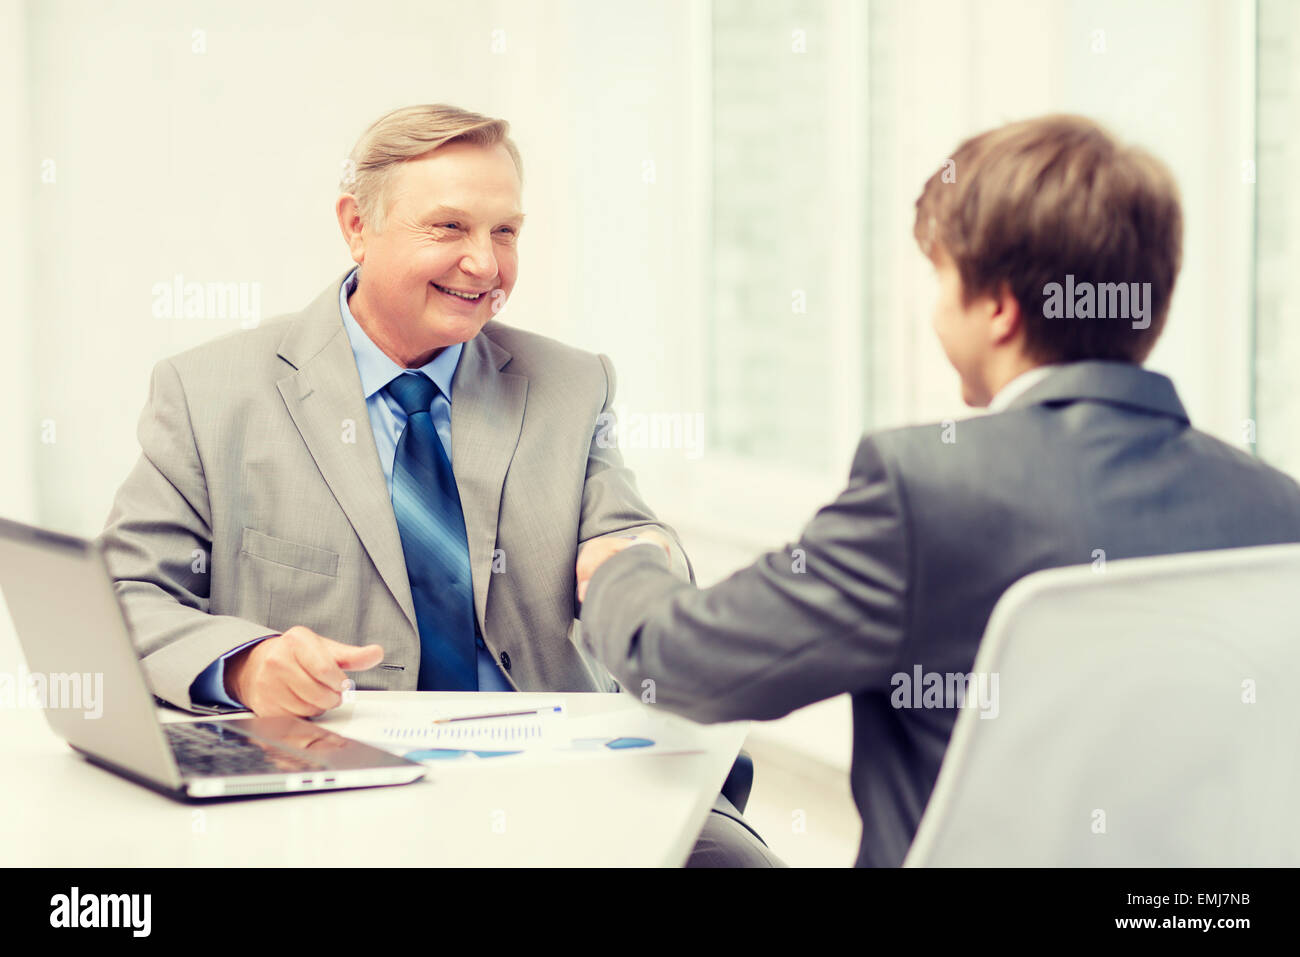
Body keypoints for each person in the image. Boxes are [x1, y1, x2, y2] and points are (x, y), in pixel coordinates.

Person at [575, 113, 1300, 867]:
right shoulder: (1279, 508)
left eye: (941, 277)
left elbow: (685, 665)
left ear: (997, 308)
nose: (934, 308)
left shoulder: (926, 489)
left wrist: (623, 568)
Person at [99, 103, 779, 866]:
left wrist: (639, 555)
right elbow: (125, 595)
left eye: (506, 231)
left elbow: (625, 533)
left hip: (565, 781)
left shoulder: (570, 384)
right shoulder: (210, 392)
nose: (485, 265)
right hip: (333, 792)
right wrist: (245, 662)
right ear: (357, 225)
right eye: (450, 228)